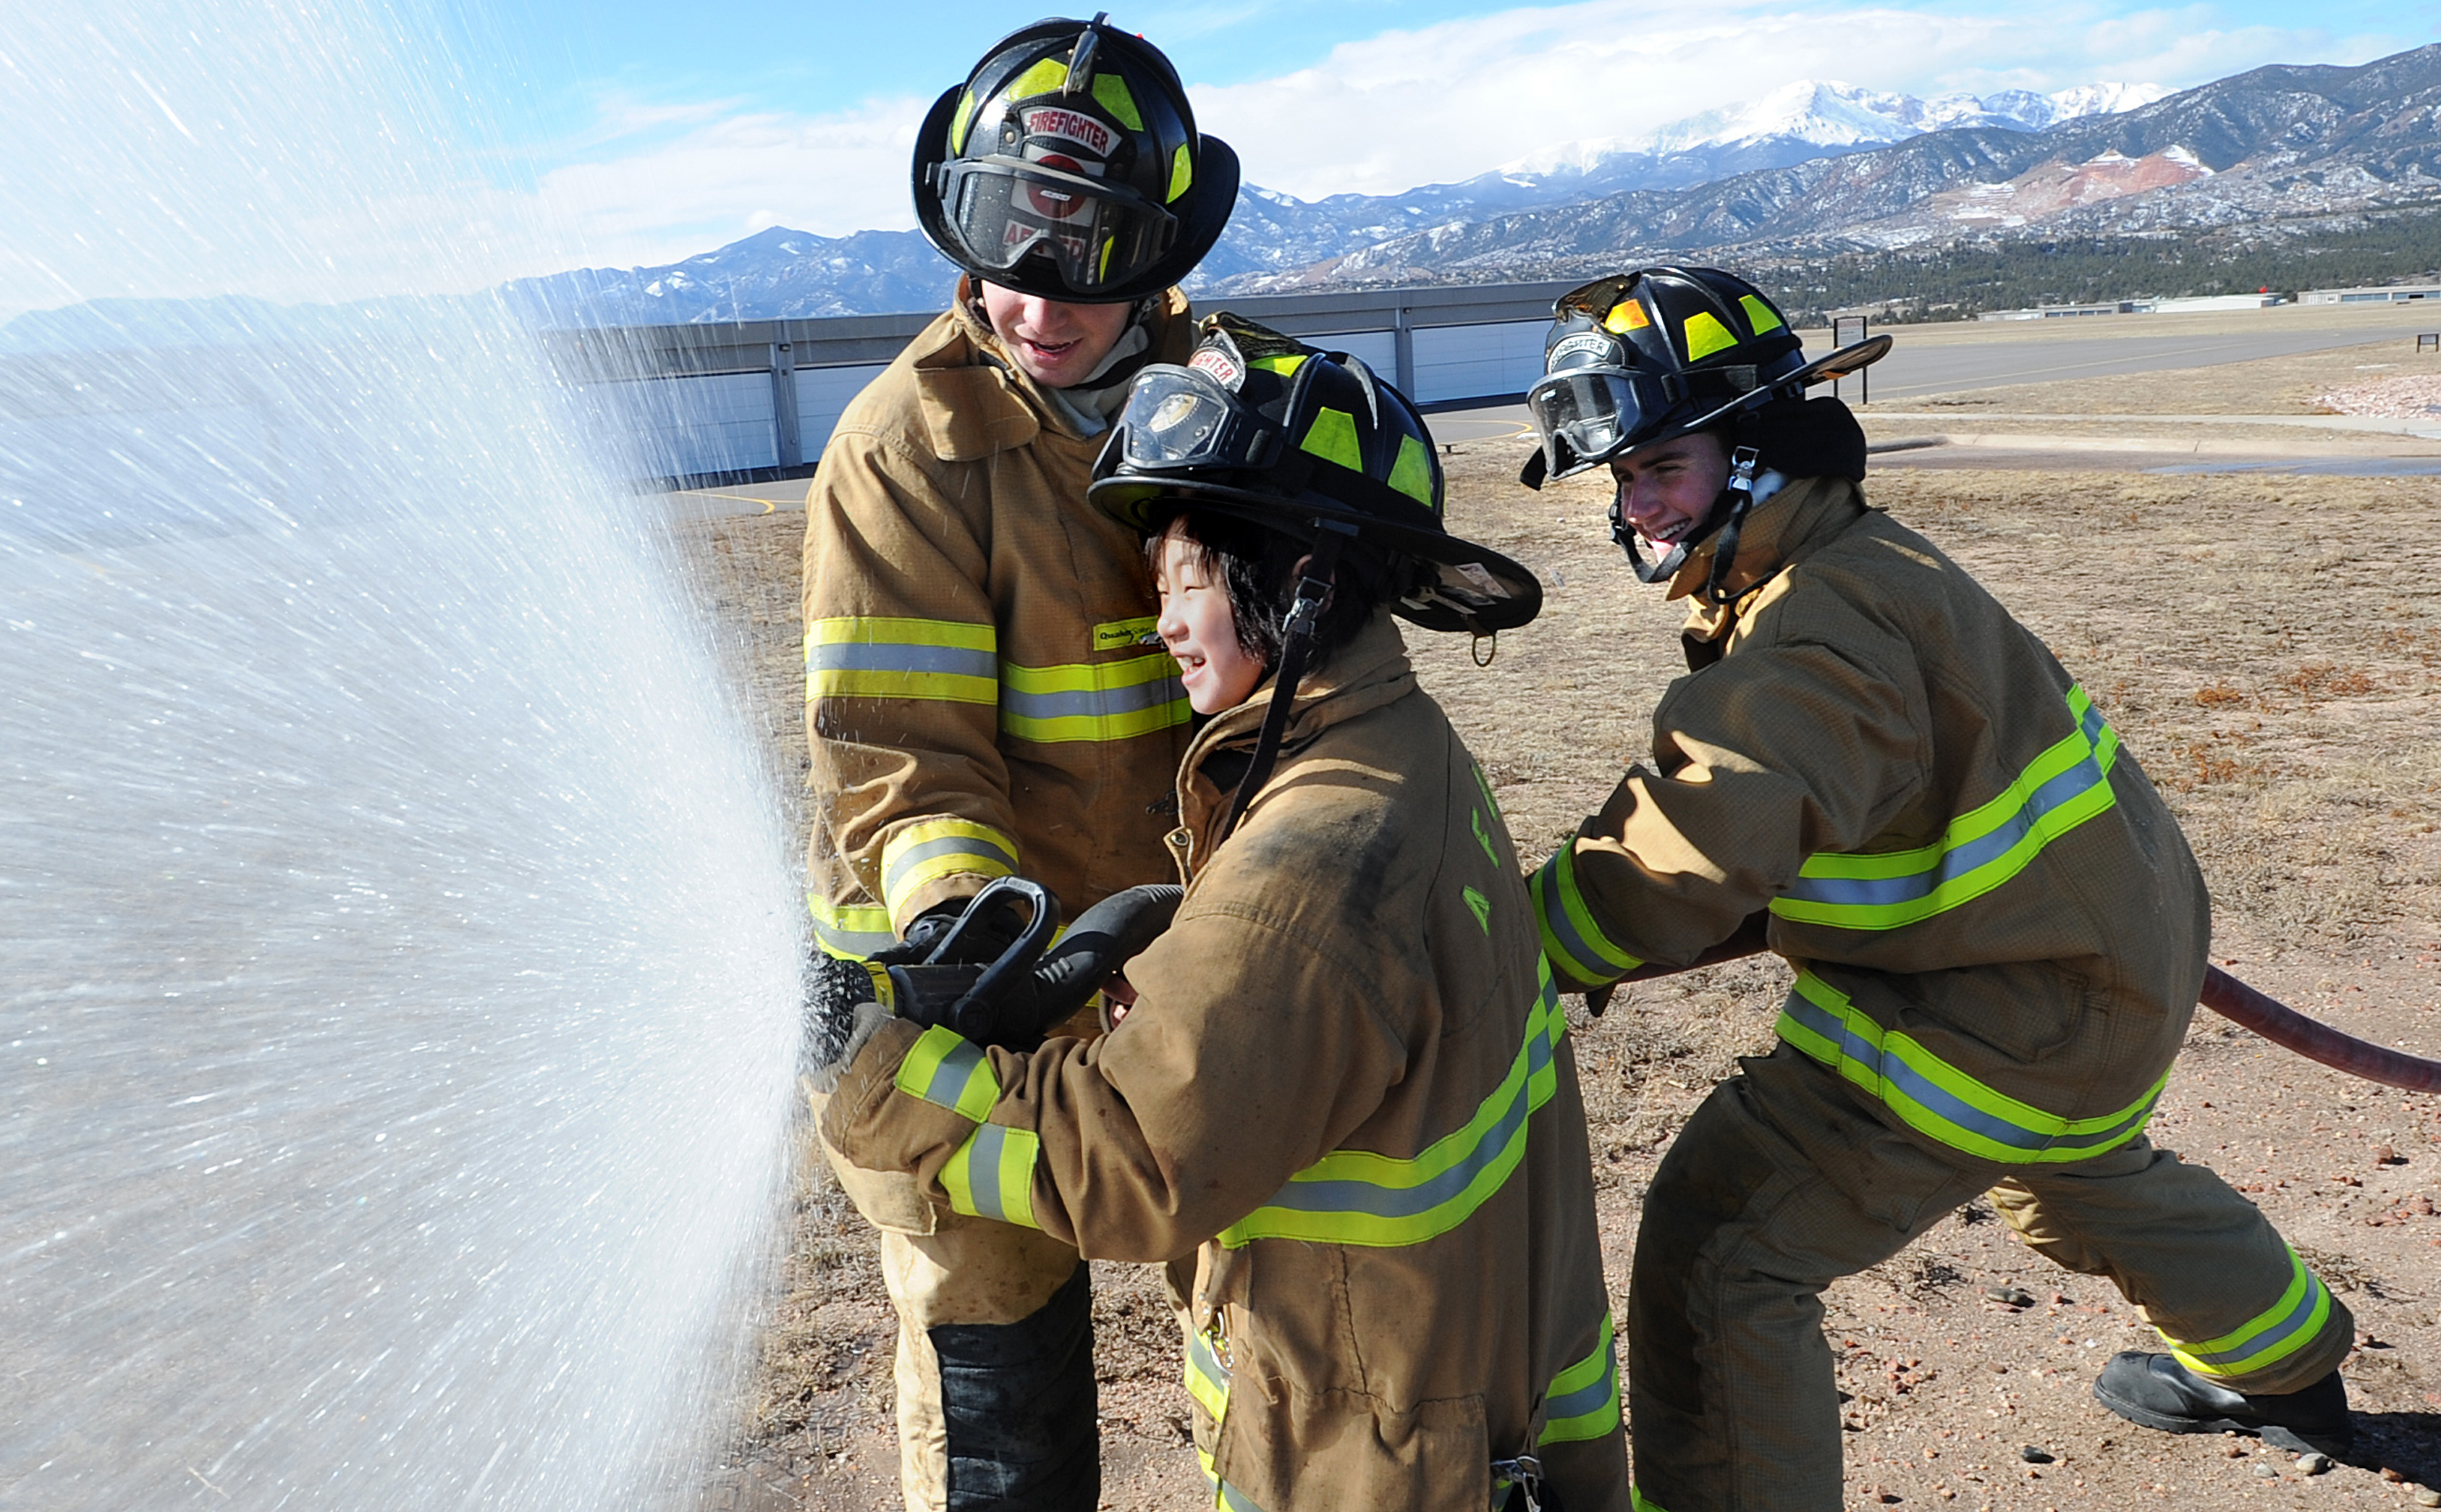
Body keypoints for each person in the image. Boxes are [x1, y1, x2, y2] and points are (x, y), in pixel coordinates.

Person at [1516, 265, 2356, 1512]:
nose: (1638, 506)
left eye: (1664, 467)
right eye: (1624, 477)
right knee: (2070, 1171)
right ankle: (2284, 1367)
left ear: (1755, 451)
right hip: (2104, 956)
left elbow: (1685, 846)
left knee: (1725, 1246)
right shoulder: (1853, 555)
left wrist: (1516, 946)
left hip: (2011, 1002)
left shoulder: (1816, 623)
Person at [811, 317, 1631, 1512]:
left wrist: (873, 1070)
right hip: (1442, 1410)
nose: (1160, 627)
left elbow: (1130, 1160)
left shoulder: (1310, 868)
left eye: (1182, 585)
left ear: (1297, 585)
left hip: (1365, 1456)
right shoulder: (1403, 748)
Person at [797, 16, 1239, 1509]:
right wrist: (968, 937)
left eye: (1087, 261)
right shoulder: (902, 452)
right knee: (1001, 1410)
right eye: (1008, 255)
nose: (1039, 304)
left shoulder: (1236, 409)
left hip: (1197, 981)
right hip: (971, 1014)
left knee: (1275, 1348)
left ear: (1159, 251)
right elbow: (899, 757)